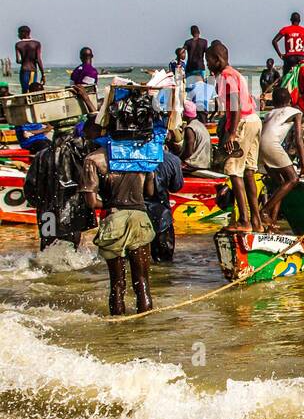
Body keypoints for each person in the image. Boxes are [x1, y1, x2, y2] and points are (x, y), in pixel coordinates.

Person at [81, 130, 156, 315]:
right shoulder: (143, 153)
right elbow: (150, 192)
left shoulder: (93, 159)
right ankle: (147, 326)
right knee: (143, 282)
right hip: (140, 218)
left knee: (117, 284)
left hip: (113, 219)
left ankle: (117, 327)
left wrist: (111, 203)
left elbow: (91, 202)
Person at [207, 41, 262, 233]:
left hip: (243, 123)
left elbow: (236, 104)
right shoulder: (236, 74)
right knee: (248, 171)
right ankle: (256, 222)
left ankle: (244, 221)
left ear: (217, 60)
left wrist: (231, 134)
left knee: (233, 170)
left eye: (208, 60)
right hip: (254, 120)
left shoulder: (226, 76)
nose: (207, 65)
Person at [23, 128, 96, 250]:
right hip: (73, 210)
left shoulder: (41, 155)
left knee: (47, 248)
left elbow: (30, 187)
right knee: (72, 250)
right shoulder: (80, 153)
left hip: (47, 211)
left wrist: (40, 205)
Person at [258, 87, 304, 225]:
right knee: (293, 179)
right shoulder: (295, 111)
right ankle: (264, 211)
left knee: (280, 184)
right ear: (290, 100)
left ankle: (272, 222)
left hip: (260, 146)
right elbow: (298, 139)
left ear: (274, 101)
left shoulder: (269, 113)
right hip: (271, 145)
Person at [145, 146, 184, 262]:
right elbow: (176, 187)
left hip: (135, 212)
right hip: (162, 216)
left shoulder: (131, 157)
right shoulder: (172, 159)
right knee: (164, 263)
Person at [178, 100, 213, 172]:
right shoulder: (200, 125)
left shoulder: (190, 128)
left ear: (185, 114)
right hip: (206, 163)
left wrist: (178, 159)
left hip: (195, 164)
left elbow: (189, 152)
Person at [14, 26, 43, 93]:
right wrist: (43, 74)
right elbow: (39, 60)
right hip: (33, 70)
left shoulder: (18, 44)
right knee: (32, 89)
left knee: (24, 90)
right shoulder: (36, 43)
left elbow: (18, 61)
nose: (18, 35)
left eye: (19, 33)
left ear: (24, 33)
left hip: (24, 70)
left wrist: (24, 61)